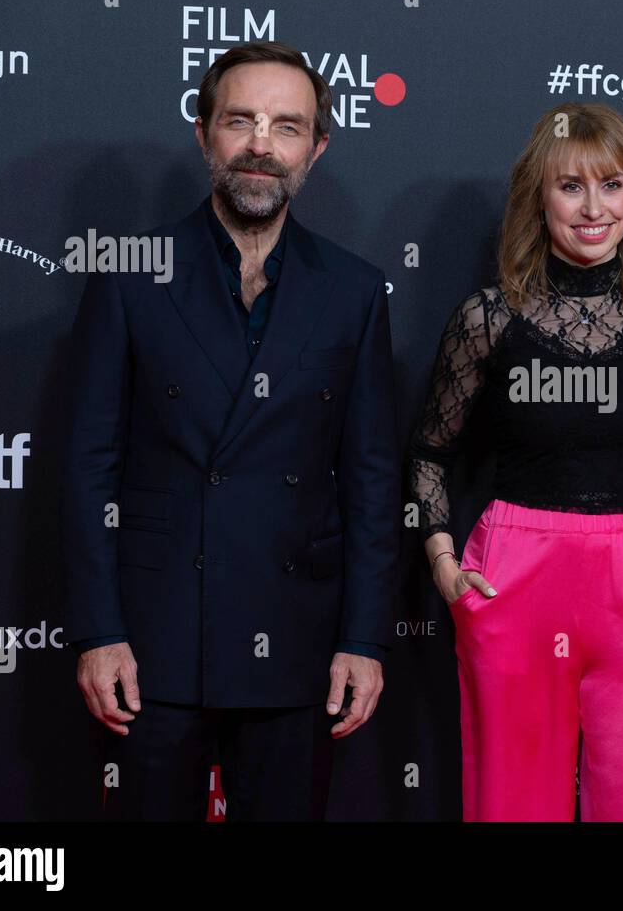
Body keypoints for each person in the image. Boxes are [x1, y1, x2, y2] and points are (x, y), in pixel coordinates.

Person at [61, 40, 400, 820]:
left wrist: (364, 639)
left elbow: (373, 479)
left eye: (287, 127)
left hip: (297, 644)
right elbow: (87, 466)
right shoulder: (130, 272)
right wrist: (98, 630)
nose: (260, 145)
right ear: (203, 132)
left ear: (316, 147)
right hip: (154, 643)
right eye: (240, 120)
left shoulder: (352, 290)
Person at [409, 102, 623, 821]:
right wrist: (446, 567)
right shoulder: (488, 317)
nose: (594, 207)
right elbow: (427, 454)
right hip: (517, 577)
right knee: (513, 806)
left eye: (612, 184)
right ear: (538, 198)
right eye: (571, 186)